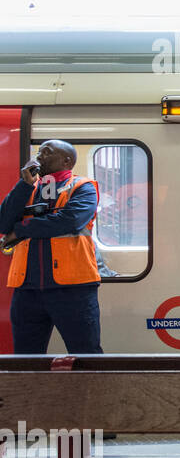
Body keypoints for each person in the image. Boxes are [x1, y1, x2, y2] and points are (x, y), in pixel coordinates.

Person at [0, 140, 103, 354]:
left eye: (47, 152)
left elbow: (70, 221)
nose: (39, 157)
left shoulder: (83, 187)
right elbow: (3, 223)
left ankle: (89, 389)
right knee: (26, 357)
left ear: (67, 160)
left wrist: (20, 230)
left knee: (86, 353)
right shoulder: (28, 188)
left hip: (73, 288)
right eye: (39, 151)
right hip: (28, 289)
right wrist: (24, 184)